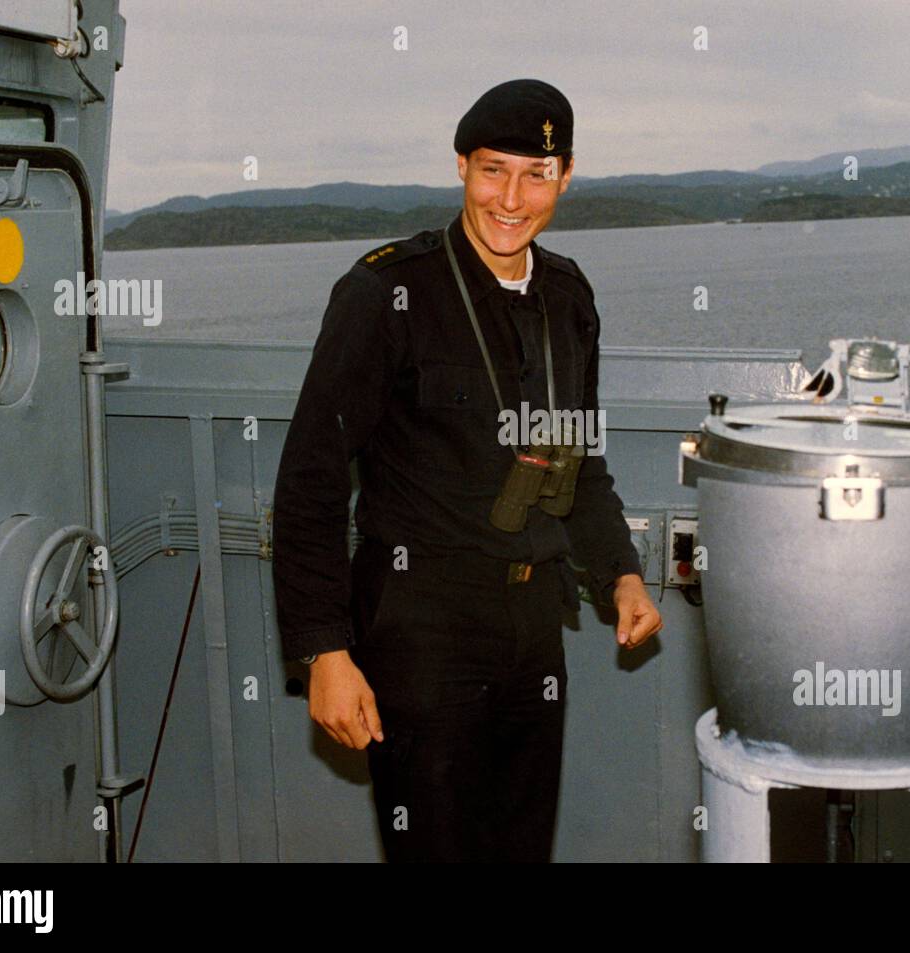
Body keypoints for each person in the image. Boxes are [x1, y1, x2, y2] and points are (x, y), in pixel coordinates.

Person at [271, 78, 662, 862]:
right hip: (422, 632)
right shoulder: (385, 292)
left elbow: (577, 462)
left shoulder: (569, 298)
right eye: (492, 170)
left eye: (535, 174)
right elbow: (310, 480)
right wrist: (324, 651)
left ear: (566, 176)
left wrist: (619, 572)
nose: (511, 198)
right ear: (459, 167)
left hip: (531, 631)